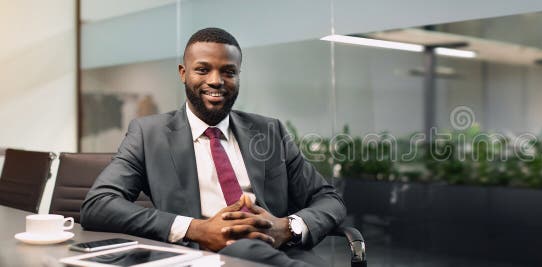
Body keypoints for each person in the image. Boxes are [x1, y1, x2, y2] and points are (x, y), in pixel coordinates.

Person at [81, 27, 345, 267]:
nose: (216, 80)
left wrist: (286, 228)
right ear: (183, 73)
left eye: (228, 72)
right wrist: (196, 229)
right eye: (203, 69)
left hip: (279, 253)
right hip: (200, 257)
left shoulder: (269, 131)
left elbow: (329, 199)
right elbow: (98, 204)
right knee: (245, 250)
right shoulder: (149, 134)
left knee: (252, 250)